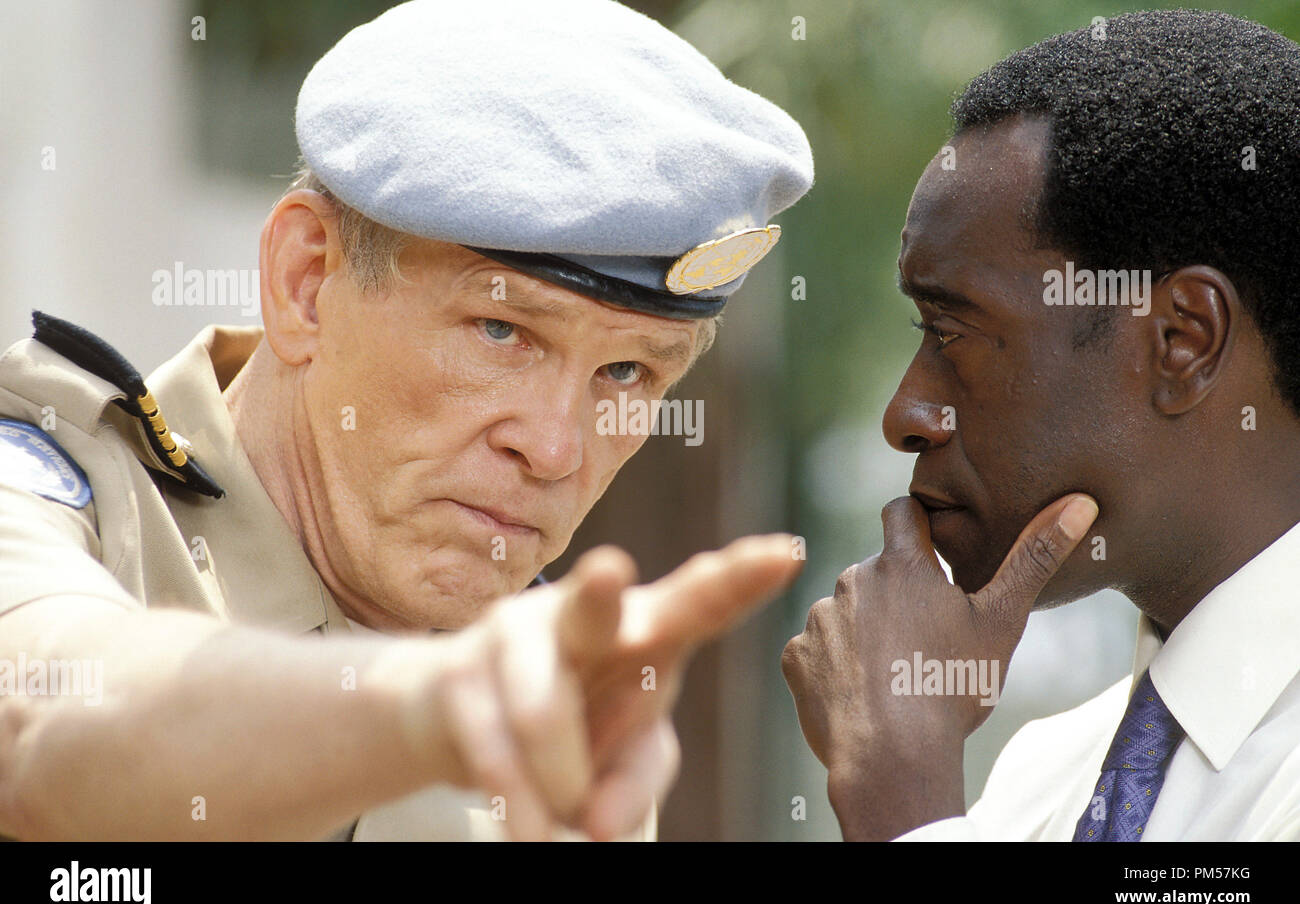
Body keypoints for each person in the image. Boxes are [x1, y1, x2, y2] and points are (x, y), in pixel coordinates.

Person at [0, 0, 812, 841]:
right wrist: (437, 711)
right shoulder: (53, 502)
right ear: (306, 283)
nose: (555, 447)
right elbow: (39, 724)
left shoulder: (560, 717)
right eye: (503, 330)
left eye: (626, 370)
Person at [782, 9, 1300, 841]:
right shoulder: (1046, 774)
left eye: (952, 334)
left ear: (1183, 340)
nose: (904, 416)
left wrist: (899, 794)